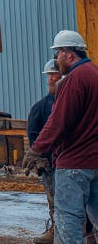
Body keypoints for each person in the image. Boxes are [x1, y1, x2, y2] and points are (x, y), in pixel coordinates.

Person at [25, 30, 98, 244]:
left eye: (57, 54)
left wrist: (36, 149)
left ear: (68, 54)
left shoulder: (74, 79)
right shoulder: (94, 74)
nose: (57, 61)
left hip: (74, 164)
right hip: (95, 162)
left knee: (68, 220)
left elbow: (58, 122)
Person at [26, 59, 62, 244]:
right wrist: (39, 158)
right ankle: (55, 231)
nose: (52, 79)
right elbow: (33, 135)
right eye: (49, 75)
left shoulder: (70, 103)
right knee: (54, 199)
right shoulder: (40, 108)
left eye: (55, 75)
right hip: (50, 165)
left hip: (72, 161)